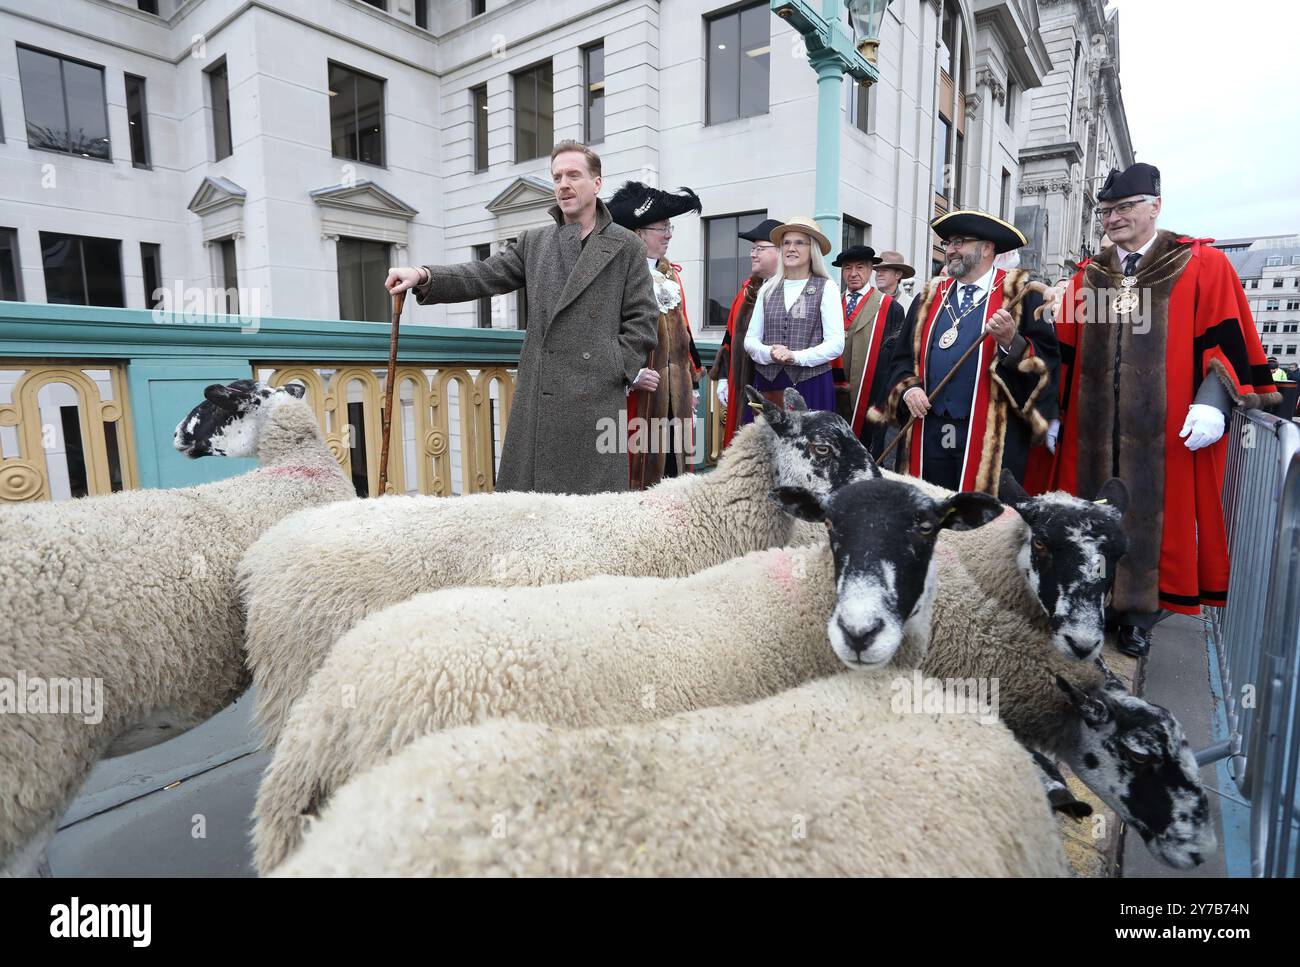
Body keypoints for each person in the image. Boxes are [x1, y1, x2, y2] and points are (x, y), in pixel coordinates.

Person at [1041, 162, 1280, 657]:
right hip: (1092, 431)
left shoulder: (1200, 264)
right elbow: (1063, 348)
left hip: (1164, 430)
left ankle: (1139, 613)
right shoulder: (1090, 275)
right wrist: (1052, 409)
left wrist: (1214, 402)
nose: (1112, 218)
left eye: (1124, 208)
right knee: (1092, 518)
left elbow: (1227, 343)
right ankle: (1094, 604)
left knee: (1154, 519)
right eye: (1105, 211)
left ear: (1156, 206)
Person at [385, 140, 659, 495]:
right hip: (541, 400)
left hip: (597, 400)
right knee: (532, 516)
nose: (563, 184)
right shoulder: (535, 242)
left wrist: (615, 364)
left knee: (592, 523)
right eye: (557, 176)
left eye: (574, 175)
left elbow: (643, 318)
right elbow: (484, 274)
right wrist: (424, 275)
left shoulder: (627, 245)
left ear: (597, 183)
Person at [871, 210, 1057, 493]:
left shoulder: (1022, 295)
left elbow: (1048, 363)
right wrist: (909, 390)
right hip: (928, 431)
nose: (951, 249)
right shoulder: (928, 296)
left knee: (978, 523)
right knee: (927, 511)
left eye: (960, 241)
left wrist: (1011, 342)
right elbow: (900, 360)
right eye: (948, 242)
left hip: (989, 436)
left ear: (987, 248)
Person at [607, 181, 704, 488]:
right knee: (638, 474)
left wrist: (693, 384)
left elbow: (684, 331)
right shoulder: (616, 273)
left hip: (676, 392)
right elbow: (606, 332)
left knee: (676, 472)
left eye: (669, 225)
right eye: (661, 227)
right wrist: (630, 373)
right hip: (639, 395)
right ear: (638, 232)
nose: (669, 233)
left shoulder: (671, 273)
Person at [742, 216, 845, 416]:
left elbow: (836, 344)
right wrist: (769, 352)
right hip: (767, 384)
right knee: (765, 445)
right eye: (787, 242)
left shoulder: (827, 287)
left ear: (812, 249)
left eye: (799, 242)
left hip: (810, 385)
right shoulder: (767, 288)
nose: (791, 248)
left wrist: (795, 357)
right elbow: (750, 340)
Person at [711, 218, 783, 448]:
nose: (753, 254)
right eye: (753, 249)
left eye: (760, 249)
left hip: (774, 389)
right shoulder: (747, 291)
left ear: (780, 252)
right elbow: (729, 337)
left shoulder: (790, 290)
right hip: (741, 384)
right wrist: (723, 376)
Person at [831, 244, 904, 454]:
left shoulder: (890, 307)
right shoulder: (831, 302)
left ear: (872, 269)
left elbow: (896, 359)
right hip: (833, 393)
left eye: (860, 267)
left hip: (870, 397)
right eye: (847, 268)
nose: (853, 274)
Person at [872, 249, 915, 314]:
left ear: (898, 275)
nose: (879, 274)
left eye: (884, 270)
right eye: (877, 271)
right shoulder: (867, 300)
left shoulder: (910, 304)